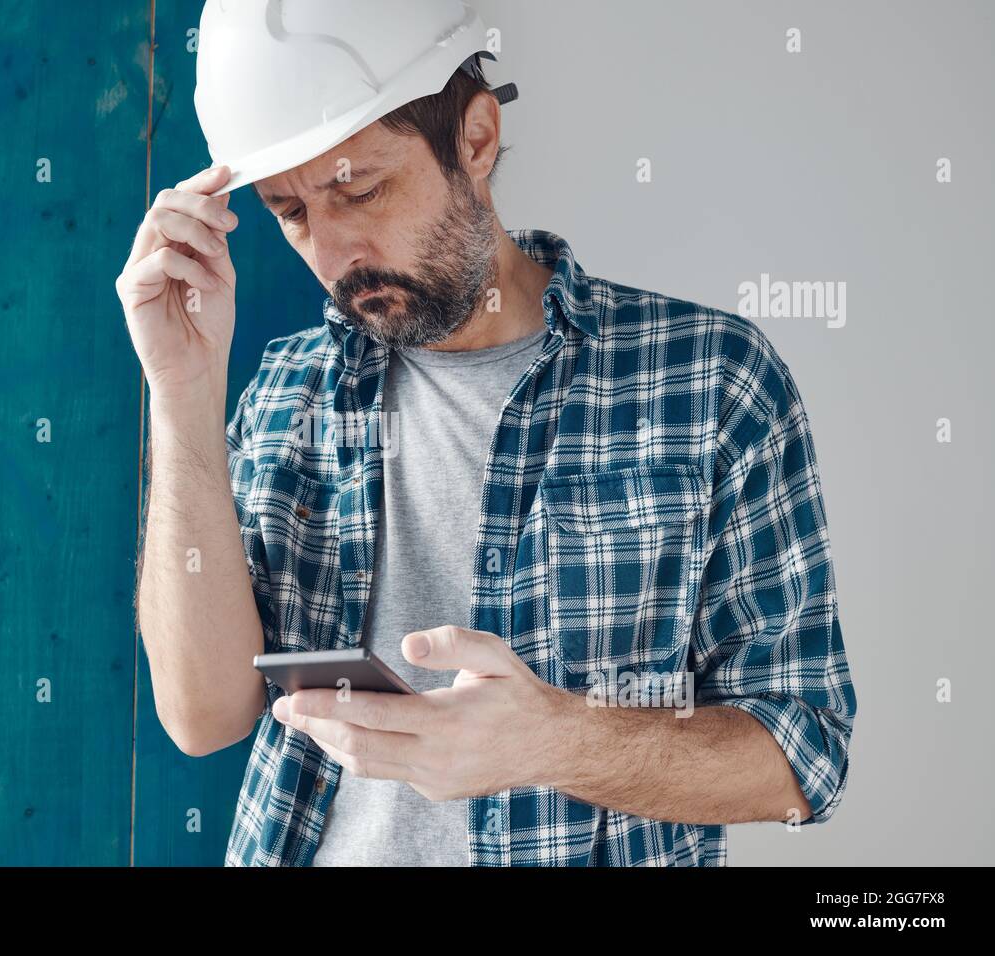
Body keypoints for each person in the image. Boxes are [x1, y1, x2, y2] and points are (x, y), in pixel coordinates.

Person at [118, 0, 856, 866]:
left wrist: (555, 741)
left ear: (475, 138)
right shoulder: (286, 390)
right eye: (290, 213)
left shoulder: (709, 380)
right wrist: (182, 394)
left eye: (360, 190)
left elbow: (803, 752)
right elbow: (203, 717)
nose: (333, 252)